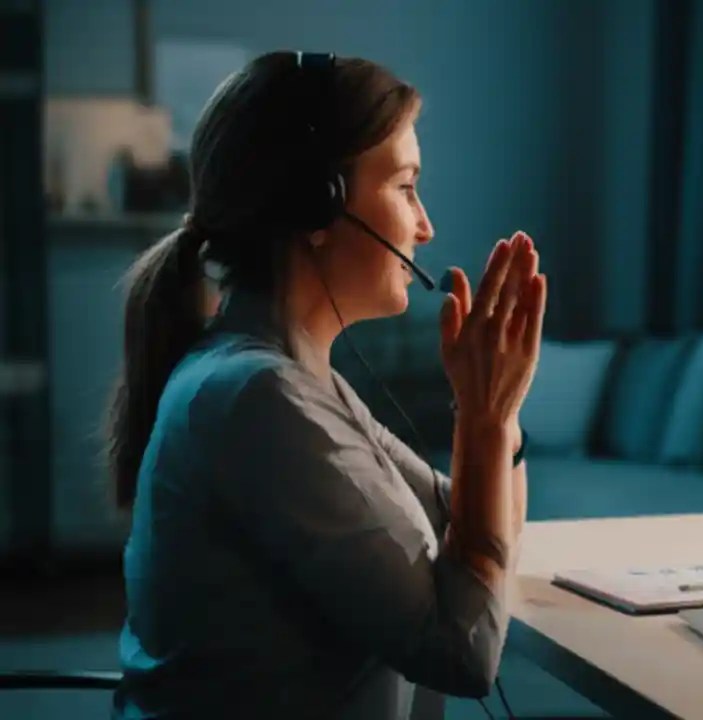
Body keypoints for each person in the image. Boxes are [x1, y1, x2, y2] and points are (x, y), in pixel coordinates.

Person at [104, 51, 546, 719]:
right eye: (404, 187)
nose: (425, 225)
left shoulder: (294, 380)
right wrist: (483, 421)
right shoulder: (258, 401)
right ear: (317, 205)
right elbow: (464, 651)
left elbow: (476, 518)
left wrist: (497, 411)